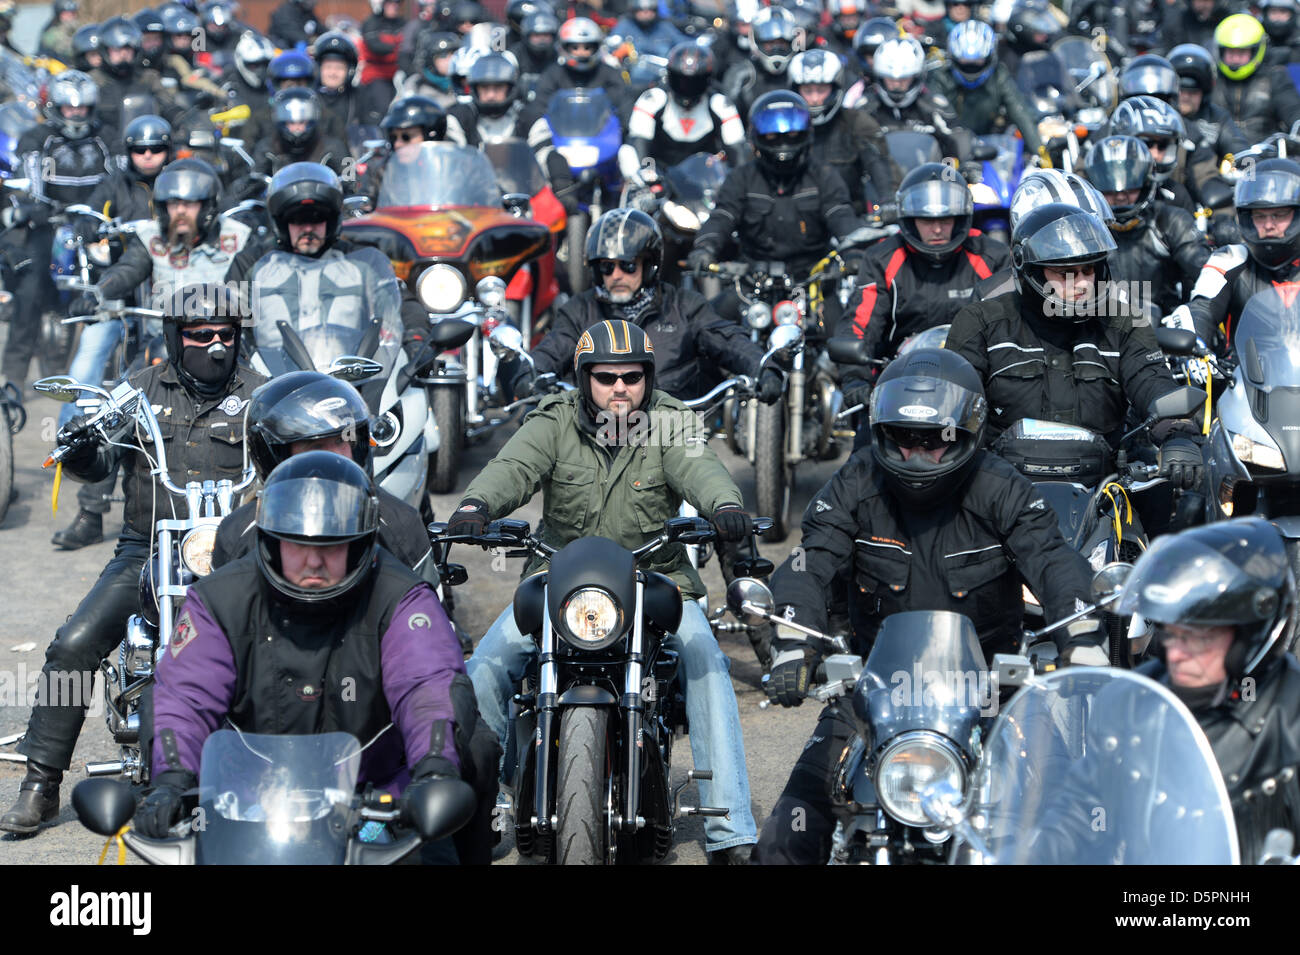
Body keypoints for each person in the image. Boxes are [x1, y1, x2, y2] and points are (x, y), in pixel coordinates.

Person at [755, 347, 1101, 864]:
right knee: (788, 835)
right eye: (902, 438)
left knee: (1072, 825)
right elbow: (808, 563)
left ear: (966, 434)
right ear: (883, 433)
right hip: (872, 695)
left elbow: (1053, 560)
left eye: (934, 441)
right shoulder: (856, 482)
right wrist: (792, 641)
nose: (916, 454)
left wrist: (1084, 638)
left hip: (993, 697)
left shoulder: (1004, 487)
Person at [453, 319, 760, 863]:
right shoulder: (551, 421)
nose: (620, 387)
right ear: (584, 380)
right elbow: (512, 467)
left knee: (706, 662)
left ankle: (730, 830)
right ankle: (485, 807)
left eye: (632, 376)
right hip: (556, 582)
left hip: (655, 579)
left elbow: (701, 467)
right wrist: (477, 506)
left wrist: (725, 506)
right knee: (486, 667)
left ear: (648, 377)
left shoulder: (673, 422)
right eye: (606, 377)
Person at [136, 451, 496, 863]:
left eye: (332, 545)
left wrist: (433, 773)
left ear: (360, 542)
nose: (313, 561)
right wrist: (169, 779)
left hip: (379, 804)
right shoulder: (219, 600)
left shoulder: (402, 598)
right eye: (296, 543)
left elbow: (427, 685)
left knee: (460, 794)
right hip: (248, 807)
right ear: (269, 540)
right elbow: (184, 696)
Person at [0, 284, 265, 836]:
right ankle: (40, 783)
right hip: (147, 548)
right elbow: (98, 462)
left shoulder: (262, 395)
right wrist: (79, 451)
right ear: (175, 337)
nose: (216, 346)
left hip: (238, 552)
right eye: (201, 335)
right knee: (74, 642)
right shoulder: (138, 392)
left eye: (226, 335)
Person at [944, 202, 1204, 489]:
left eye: (1088, 270)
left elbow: (1152, 380)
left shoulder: (1123, 322)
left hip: (1103, 492)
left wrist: (1177, 433)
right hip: (1002, 490)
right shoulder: (980, 322)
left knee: (1171, 510)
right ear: (1029, 269)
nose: (1081, 284)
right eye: (1066, 272)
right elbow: (953, 403)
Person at [1118, 517, 1300, 864]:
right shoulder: (1133, 701)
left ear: (1249, 638)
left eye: (1199, 637)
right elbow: (1076, 807)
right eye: (1172, 633)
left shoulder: (1291, 716)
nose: (1175, 653)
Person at [51, 114, 176, 551]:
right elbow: (127, 264)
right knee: (123, 401)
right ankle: (88, 500)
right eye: (140, 150)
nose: (147, 157)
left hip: (208, 334)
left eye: (156, 149)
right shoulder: (119, 191)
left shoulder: (222, 240)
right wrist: (99, 291)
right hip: (141, 315)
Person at [521, 207, 781, 404]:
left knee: (707, 475)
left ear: (650, 265)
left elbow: (728, 340)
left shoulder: (684, 306)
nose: (617, 275)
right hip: (598, 433)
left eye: (628, 265)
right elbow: (554, 348)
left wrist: (763, 368)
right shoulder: (579, 310)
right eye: (607, 267)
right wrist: (529, 375)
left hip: (675, 432)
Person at [210, 372, 440, 590]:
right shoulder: (237, 534)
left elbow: (425, 619)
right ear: (275, 456)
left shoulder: (399, 525)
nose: (337, 457)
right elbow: (220, 621)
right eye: (316, 447)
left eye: (342, 441)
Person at [836, 162, 1010, 438]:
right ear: (910, 219)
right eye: (927, 221)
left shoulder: (994, 255)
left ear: (961, 217)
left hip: (977, 386)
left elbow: (1013, 325)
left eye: (946, 219)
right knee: (865, 464)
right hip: (898, 386)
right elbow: (860, 323)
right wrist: (854, 378)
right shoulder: (881, 259)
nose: (938, 229)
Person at [687, 91, 863, 325]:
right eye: (772, 137)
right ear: (757, 139)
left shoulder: (824, 176)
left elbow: (841, 215)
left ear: (806, 136)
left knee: (847, 344)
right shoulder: (741, 178)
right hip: (752, 283)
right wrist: (704, 248)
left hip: (812, 283)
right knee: (702, 330)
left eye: (791, 136)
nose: (782, 145)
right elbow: (722, 216)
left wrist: (854, 252)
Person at [0, 70, 113, 391]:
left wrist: (108, 212)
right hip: (50, 223)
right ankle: (14, 379)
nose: (76, 113)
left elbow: (120, 180)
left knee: (120, 287)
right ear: (56, 107)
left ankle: (125, 366)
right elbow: (30, 181)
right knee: (31, 288)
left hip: (98, 224)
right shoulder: (38, 138)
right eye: (69, 108)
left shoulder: (108, 138)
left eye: (82, 107)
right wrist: (33, 206)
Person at [1170, 157, 1300, 351]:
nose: (1269, 225)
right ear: (1247, 217)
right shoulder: (1231, 259)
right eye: (1260, 216)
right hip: (1245, 379)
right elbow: (1201, 309)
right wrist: (1193, 344)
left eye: (1279, 215)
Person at [1083, 134, 1210, 318]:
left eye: (1130, 187)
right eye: (1110, 189)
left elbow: (1205, 272)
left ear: (1146, 182)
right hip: (1101, 327)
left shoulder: (1171, 221)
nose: (1120, 197)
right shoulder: (1084, 229)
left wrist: (1191, 319)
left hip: (1166, 328)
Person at [787, 48, 898, 215]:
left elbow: (881, 166)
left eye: (821, 90)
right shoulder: (784, 127)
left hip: (851, 217)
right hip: (797, 218)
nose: (815, 98)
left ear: (835, 88)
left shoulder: (858, 122)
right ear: (796, 91)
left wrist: (889, 202)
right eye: (808, 91)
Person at [622, 42, 747, 175]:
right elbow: (638, 143)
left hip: (705, 180)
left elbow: (737, 150)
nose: (687, 88)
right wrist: (647, 177)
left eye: (695, 82)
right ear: (670, 76)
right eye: (680, 81)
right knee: (626, 152)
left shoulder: (720, 104)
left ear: (707, 80)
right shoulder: (653, 99)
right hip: (658, 177)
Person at [929, 19, 1045, 160]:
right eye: (964, 61)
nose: (971, 67)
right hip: (948, 152)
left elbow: (1021, 113)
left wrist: (1041, 153)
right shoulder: (940, 76)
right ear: (953, 57)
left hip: (989, 151)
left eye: (978, 61)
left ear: (990, 57)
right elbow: (932, 117)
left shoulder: (999, 75)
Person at [862, 35, 969, 166]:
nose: (896, 86)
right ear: (879, 77)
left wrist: (968, 163)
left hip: (928, 181)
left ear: (917, 77)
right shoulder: (866, 108)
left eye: (903, 80)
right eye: (890, 80)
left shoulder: (934, 106)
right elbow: (846, 144)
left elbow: (958, 135)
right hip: (879, 182)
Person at [1211, 12, 1300, 146]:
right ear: (1221, 51)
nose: (1235, 59)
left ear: (1256, 50)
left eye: (1241, 52)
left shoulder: (1275, 77)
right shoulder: (1212, 79)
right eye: (1230, 52)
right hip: (1217, 157)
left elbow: (1293, 112)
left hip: (1263, 158)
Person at [532, 17, 630, 121]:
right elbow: (540, 106)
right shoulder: (553, 74)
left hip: (601, 130)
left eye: (587, 48)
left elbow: (622, 104)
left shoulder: (610, 74)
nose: (581, 53)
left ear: (597, 47)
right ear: (563, 47)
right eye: (575, 48)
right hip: (561, 131)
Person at [722, 4, 798, 117]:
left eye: (781, 43)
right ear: (758, 41)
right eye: (770, 43)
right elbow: (729, 116)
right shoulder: (741, 75)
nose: (776, 49)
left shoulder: (799, 71)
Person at [360, 0, 406, 121]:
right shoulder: (371, 23)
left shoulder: (402, 23)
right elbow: (375, 46)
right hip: (376, 74)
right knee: (384, 108)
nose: (393, 6)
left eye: (396, 3)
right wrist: (396, 48)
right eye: (389, 3)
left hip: (398, 73)